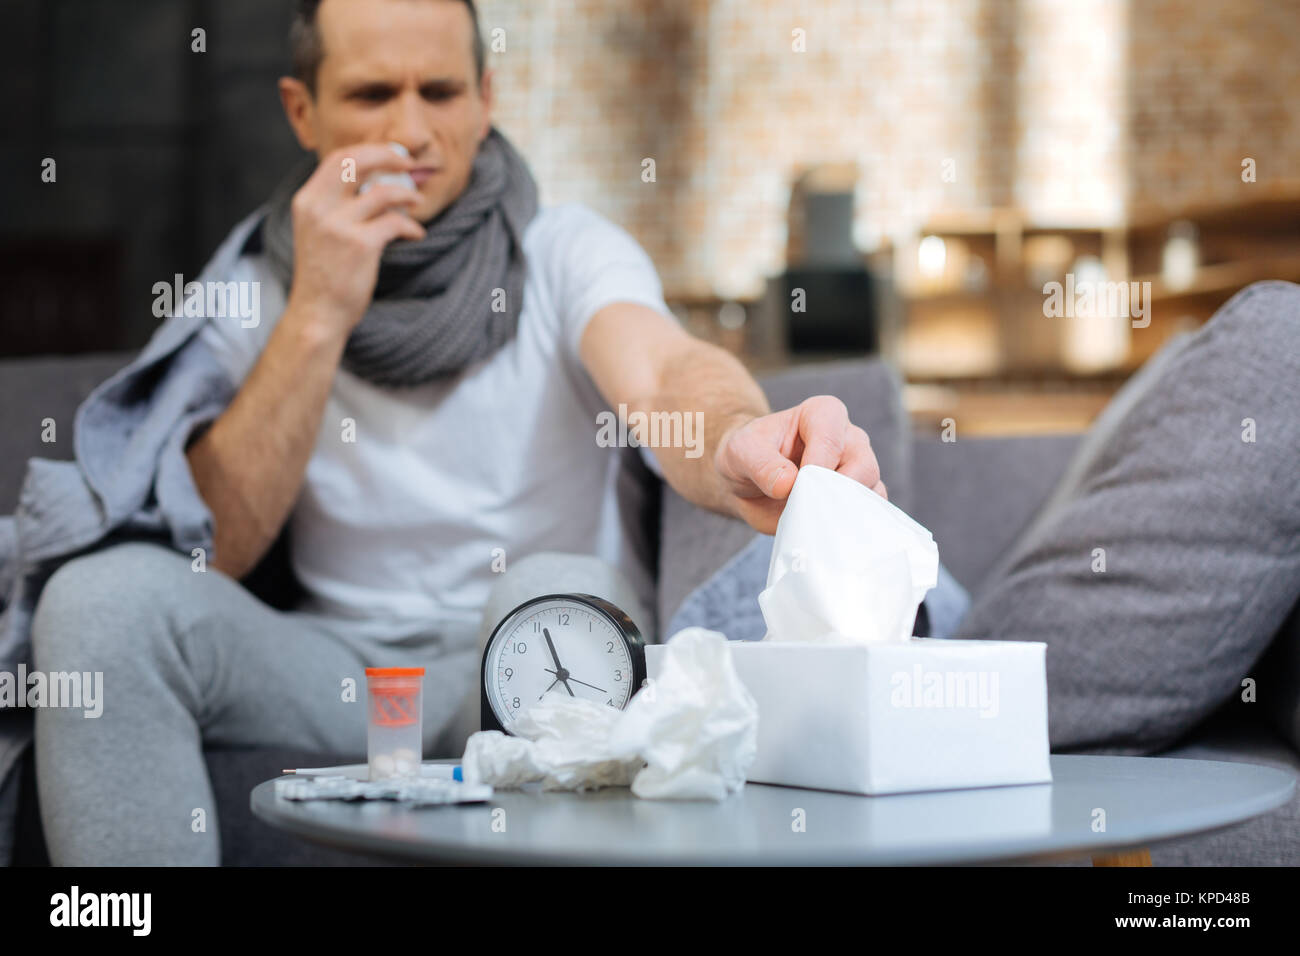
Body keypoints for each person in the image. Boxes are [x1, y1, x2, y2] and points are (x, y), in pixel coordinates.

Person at [27, 0, 897, 865]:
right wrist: (322, 306)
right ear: (303, 110)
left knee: (547, 588)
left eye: (439, 91)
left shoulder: (562, 251)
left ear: (485, 97)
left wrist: (739, 434)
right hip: (339, 673)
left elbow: (665, 369)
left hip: (539, 641)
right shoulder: (262, 282)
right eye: (372, 94)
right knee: (98, 600)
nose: (410, 130)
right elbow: (214, 544)